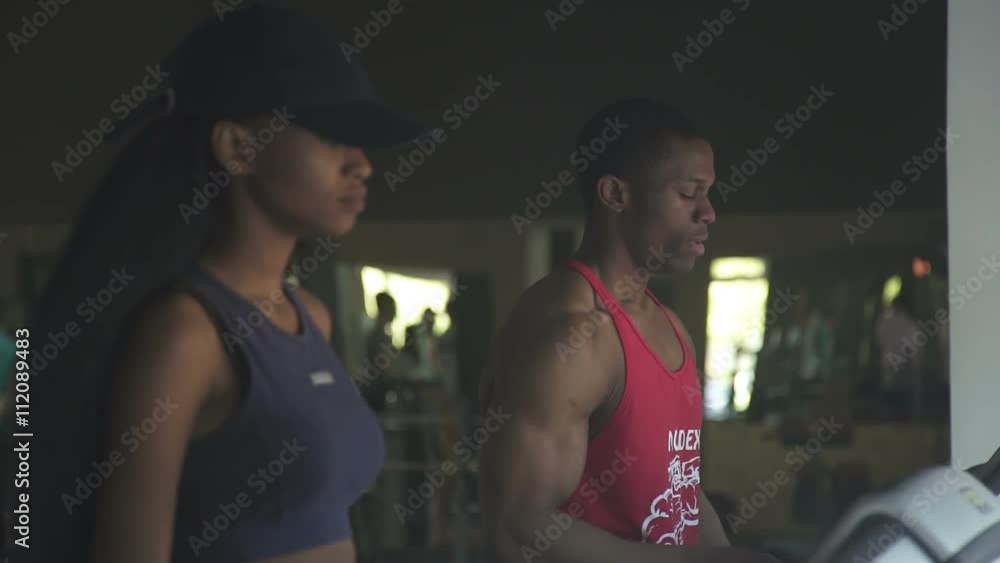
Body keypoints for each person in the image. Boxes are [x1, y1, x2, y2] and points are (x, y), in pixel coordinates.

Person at [8, 5, 428, 563]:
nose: (363, 165)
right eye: (333, 135)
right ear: (237, 147)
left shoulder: (312, 315)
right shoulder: (187, 334)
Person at [478, 99, 777, 562]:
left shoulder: (670, 327)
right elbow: (519, 527)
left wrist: (724, 554)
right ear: (615, 194)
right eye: (688, 193)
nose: (708, 212)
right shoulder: (572, 336)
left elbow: (678, 486)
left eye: (708, 193)